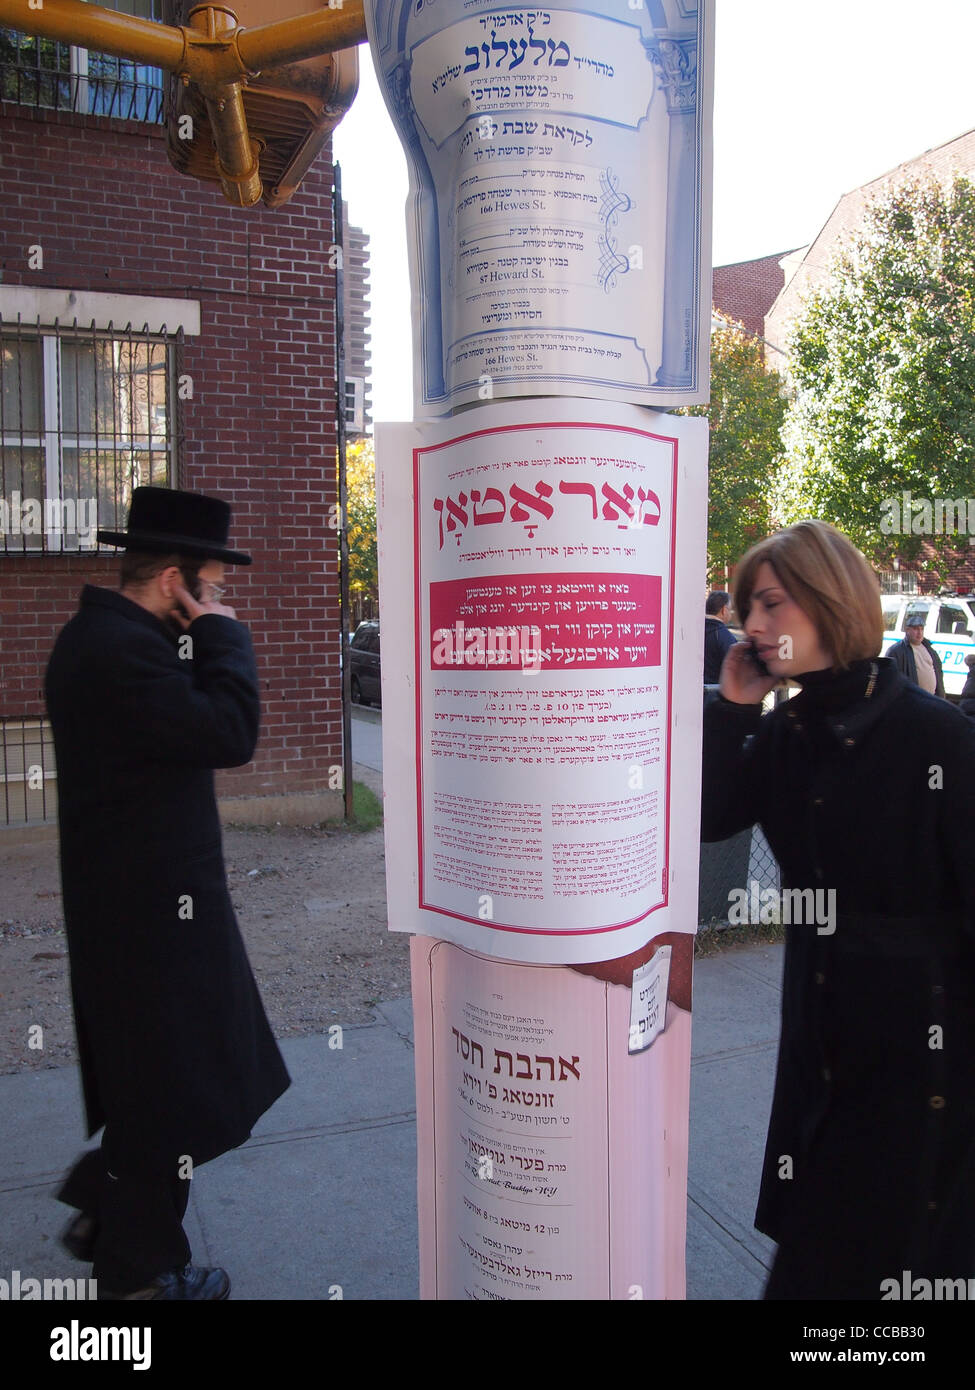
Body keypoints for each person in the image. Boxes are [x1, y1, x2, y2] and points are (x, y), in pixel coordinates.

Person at [701, 519, 975, 1300]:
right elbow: (714, 816)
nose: (752, 625)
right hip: (822, 1039)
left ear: (829, 604)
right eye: (750, 605)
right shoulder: (790, 732)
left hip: (924, 1054)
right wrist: (733, 706)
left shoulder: (935, 738)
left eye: (772, 604)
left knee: (891, 1263)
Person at [45, 487, 290, 1301]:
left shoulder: (116, 638)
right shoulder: (118, 650)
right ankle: (135, 1277)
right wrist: (222, 634)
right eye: (212, 586)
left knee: (173, 1089)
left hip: (149, 912)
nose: (218, 601)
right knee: (175, 1097)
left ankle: (109, 1218)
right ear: (175, 581)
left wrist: (202, 631)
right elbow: (230, 732)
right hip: (149, 923)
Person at [887, 617, 945, 697]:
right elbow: (891, 682)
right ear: (907, 630)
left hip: (931, 699)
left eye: (921, 629)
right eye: (916, 629)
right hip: (912, 702)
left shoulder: (929, 649)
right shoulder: (896, 651)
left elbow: (939, 674)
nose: (919, 632)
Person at [704, 590, 737, 683]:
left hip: (693, 692)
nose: (730, 614)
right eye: (730, 610)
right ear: (724, 610)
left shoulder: (694, 631)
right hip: (715, 693)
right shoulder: (724, 636)